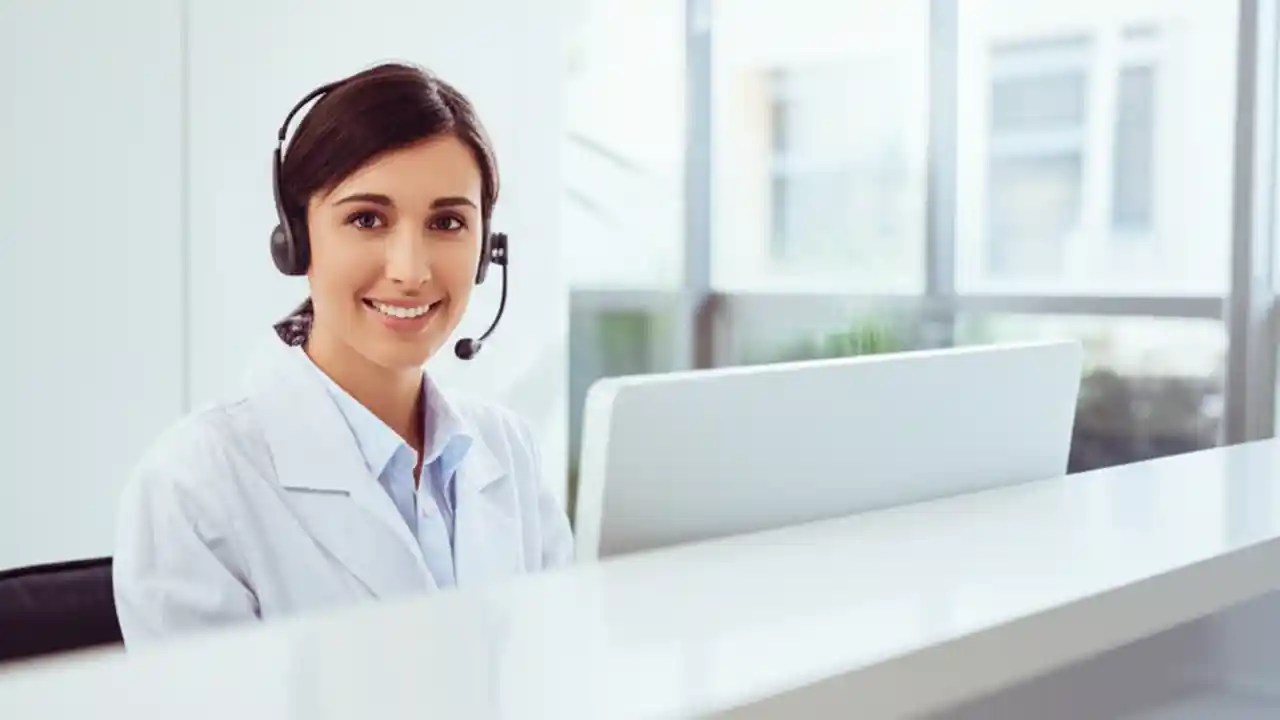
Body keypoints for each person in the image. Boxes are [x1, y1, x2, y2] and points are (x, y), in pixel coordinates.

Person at [112, 62, 573, 645]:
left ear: (487, 252)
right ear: (296, 239)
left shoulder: (509, 450)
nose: (410, 270)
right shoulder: (193, 483)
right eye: (367, 219)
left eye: (448, 221)